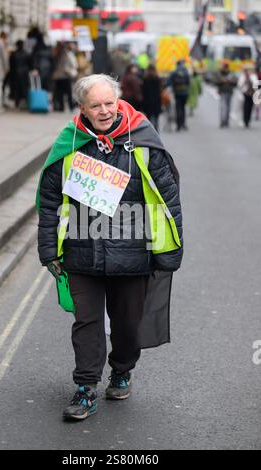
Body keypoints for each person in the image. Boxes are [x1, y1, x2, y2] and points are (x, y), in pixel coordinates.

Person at [36, 74, 183, 421]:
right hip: (82, 249)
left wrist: (169, 251)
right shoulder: (70, 143)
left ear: (118, 103)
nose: (103, 111)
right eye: (95, 105)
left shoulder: (143, 140)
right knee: (86, 322)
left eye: (109, 104)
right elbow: (50, 202)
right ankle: (86, 387)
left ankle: (122, 369)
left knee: (127, 324)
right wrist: (48, 249)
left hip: (133, 252)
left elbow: (168, 199)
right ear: (82, 108)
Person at [52, 41, 78, 112]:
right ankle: (71, 107)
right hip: (65, 75)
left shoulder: (55, 53)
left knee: (60, 93)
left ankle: (61, 107)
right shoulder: (67, 53)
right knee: (69, 93)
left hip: (57, 76)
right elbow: (73, 64)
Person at [167, 60, 190, 131]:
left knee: (178, 108)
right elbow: (188, 82)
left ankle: (178, 125)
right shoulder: (186, 72)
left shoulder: (174, 72)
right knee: (183, 108)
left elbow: (169, 82)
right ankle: (183, 123)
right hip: (185, 93)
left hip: (177, 93)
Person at [9, 40, 31, 109]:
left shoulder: (13, 54)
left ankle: (17, 104)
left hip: (15, 73)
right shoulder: (27, 54)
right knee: (25, 89)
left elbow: (11, 65)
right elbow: (30, 64)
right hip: (25, 74)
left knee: (16, 90)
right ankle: (26, 103)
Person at [142, 64, 162, 131]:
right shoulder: (157, 79)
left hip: (148, 101)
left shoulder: (145, 79)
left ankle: (150, 132)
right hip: (156, 101)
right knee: (156, 118)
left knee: (149, 118)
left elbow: (144, 91)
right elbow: (160, 91)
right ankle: (156, 131)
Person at [216, 62, 236, 128]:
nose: (225, 69)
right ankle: (222, 121)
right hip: (222, 92)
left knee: (228, 107)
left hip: (229, 92)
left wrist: (229, 81)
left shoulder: (231, 74)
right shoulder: (220, 73)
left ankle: (226, 121)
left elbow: (235, 82)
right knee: (223, 107)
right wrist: (222, 81)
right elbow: (216, 82)